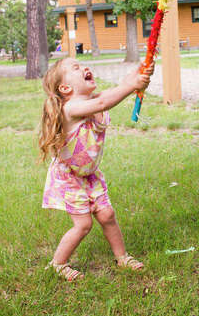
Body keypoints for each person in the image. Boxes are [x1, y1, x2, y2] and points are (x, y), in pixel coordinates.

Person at [39, 57, 154, 282]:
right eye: (76, 68)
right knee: (83, 225)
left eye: (83, 65)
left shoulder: (93, 99)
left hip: (89, 176)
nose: (84, 68)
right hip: (70, 178)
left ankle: (122, 257)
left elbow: (117, 88)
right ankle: (58, 264)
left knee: (107, 215)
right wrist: (132, 86)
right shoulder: (71, 108)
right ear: (65, 88)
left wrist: (140, 72)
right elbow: (103, 104)